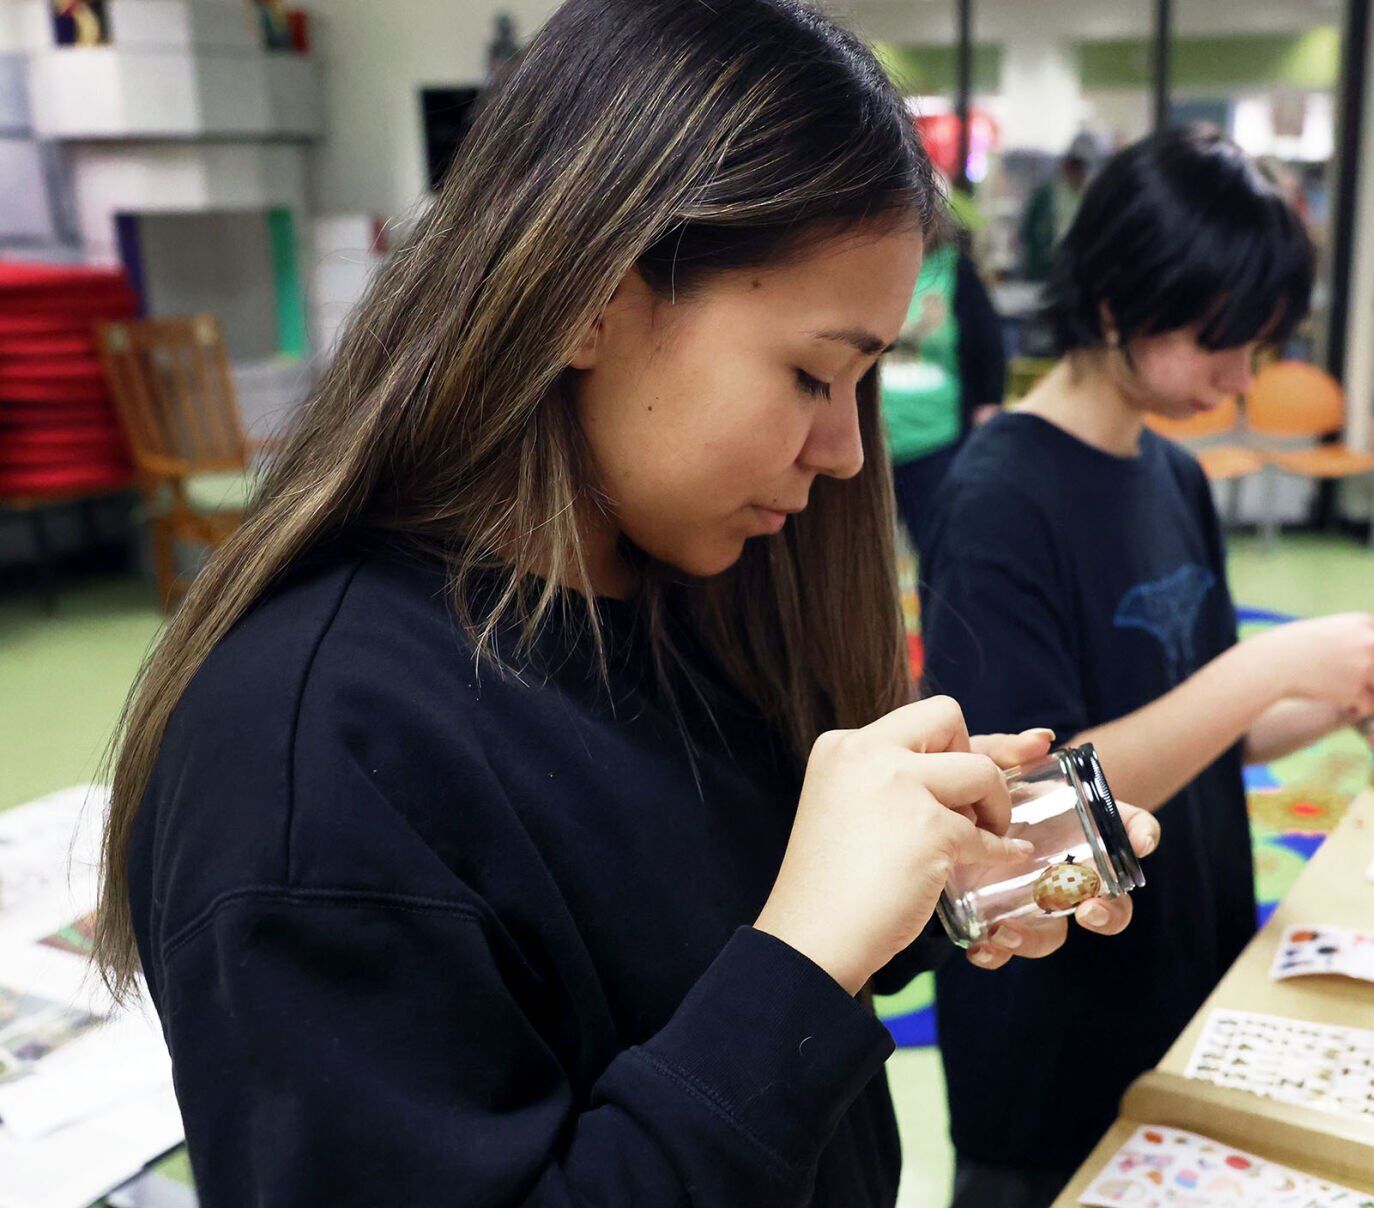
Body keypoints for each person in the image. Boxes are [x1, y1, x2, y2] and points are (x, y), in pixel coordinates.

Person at [90, 4, 1159, 1204]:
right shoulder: (310, 753)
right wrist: (809, 953)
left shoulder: (685, 599)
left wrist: (923, 881)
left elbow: (678, 966)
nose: (850, 452)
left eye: (864, 382)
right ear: (588, 298)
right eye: (812, 372)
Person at [921, 127, 1374, 1208]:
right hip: (1054, 1037)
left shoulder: (1172, 475)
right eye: (1219, 343)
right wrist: (1272, 663)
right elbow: (1035, 811)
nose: (1240, 378)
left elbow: (1207, 728)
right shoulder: (998, 497)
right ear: (1113, 305)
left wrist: (1336, 702)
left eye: (1260, 346)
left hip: (1180, 980)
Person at [880, 234, 1006, 559]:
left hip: (937, 441)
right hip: (872, 443)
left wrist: (987, 406)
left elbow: (987, 344)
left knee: (942, 553)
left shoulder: (955, 269)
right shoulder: (868, 262)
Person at [1019, 134, 1097, 281]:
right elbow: (1027, 232)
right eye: (1074, 167)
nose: (1077, 173)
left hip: (1074, 267)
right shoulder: (1045, 195)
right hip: (1045, 267)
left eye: (1080, 168)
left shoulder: (1086, 197)